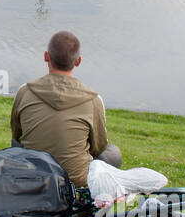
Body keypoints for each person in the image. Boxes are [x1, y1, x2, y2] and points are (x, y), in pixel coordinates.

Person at [9, 31, 119, 188]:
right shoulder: (94, 100)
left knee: (15, 143)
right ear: (78, 61)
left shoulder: (24, 91)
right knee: (112, 154)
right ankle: (94, 196)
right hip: (76, 181)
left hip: (33, 175)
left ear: (46, 56)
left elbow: (17, 135)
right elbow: (98, 147)